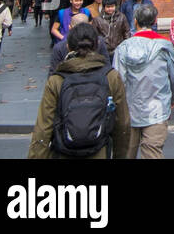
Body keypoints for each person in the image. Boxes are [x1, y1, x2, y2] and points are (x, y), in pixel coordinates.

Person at [29, 24, 131, 160]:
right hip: (99, 151)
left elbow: (43, 129)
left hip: (63, 152)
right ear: (96, 45)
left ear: (68, 47)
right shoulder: (111, 77)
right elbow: (122, 123)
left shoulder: (56, 80)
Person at [113, 4, 174, 159]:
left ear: (135, 21)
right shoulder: (165, 46)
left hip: (129, 111)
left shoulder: (123, 48)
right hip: (157, 109)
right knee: (152, 152)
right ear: (155, 21)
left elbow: (117, 83)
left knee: (125, 153)